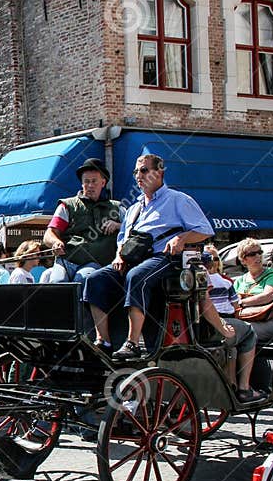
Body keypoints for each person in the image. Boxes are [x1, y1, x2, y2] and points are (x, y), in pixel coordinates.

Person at [83, 153, 214, 359]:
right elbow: (122, 238)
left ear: (159, 172)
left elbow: (205, 229)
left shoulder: (178, 200)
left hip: (165, 257)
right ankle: (104, 341)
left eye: (144, 170)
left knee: (136, 276)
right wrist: (119, 255)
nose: (138, 176)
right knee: (94, 280)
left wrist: (182, 238)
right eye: (136, 172)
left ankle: (133, 343)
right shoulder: (134, 209)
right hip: (133, 258)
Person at [43, 158, 123, 284]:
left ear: (103, 182)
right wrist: (55, 242)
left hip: (95, 262)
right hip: (66, 260)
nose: (90, 185)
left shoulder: (117, 208)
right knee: (57, 282)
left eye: (94, 181)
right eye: (86, 181)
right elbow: (49, 233)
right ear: (81, 183)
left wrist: (118, 225)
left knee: (82, 280)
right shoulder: (67, 205)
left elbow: (133, 229)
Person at [199, 247, 259, 402]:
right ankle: (244, 388)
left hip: (194, 326)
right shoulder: (220, 281)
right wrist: (222, 327)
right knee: (249, 332)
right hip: (211, 326)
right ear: (211, 265)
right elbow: (211, 305)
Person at [232, 238, 273, 344]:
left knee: (241, 332)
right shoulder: (239, 281)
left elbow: (270, 295)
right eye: (252, 254)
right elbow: (231, 301)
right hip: (247, 319)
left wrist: (241, 302)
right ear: (243, 260)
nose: (258, 256)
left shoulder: (271, 274)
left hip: (272, 320)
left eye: (259, 252)